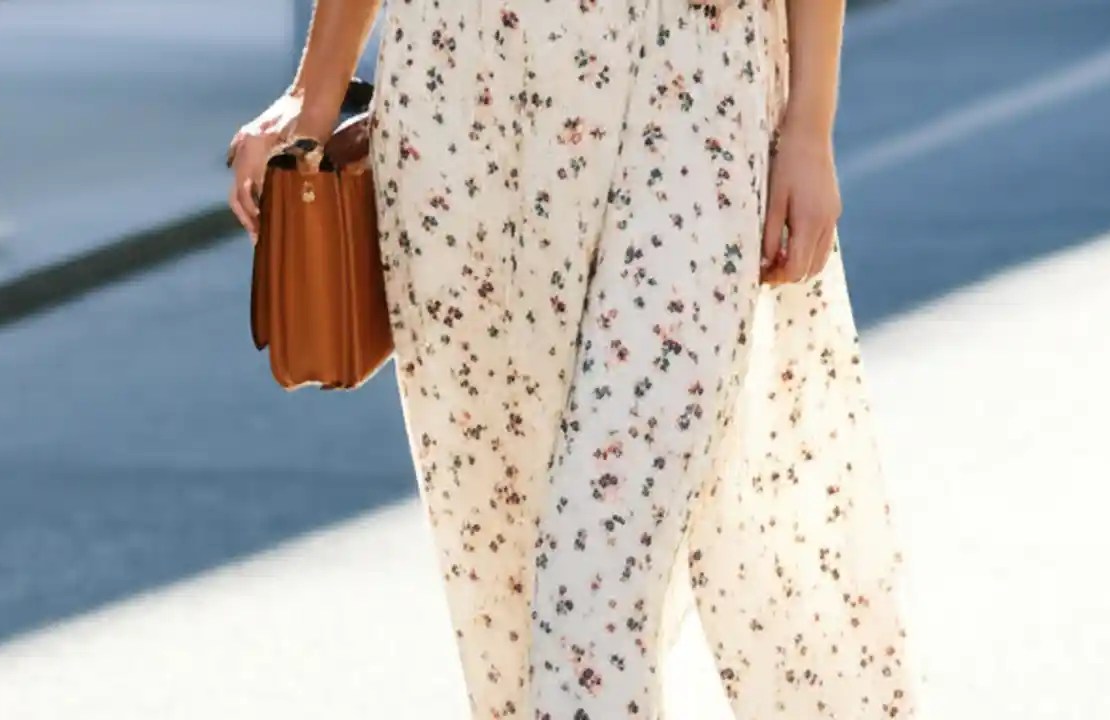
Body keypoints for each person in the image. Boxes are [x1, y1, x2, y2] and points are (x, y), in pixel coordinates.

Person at [228, 0, 923, 717]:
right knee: (513, 609)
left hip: (693, 93)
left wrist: (808, 126)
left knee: (589, 586)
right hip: (470, 108)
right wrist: (315, 91)